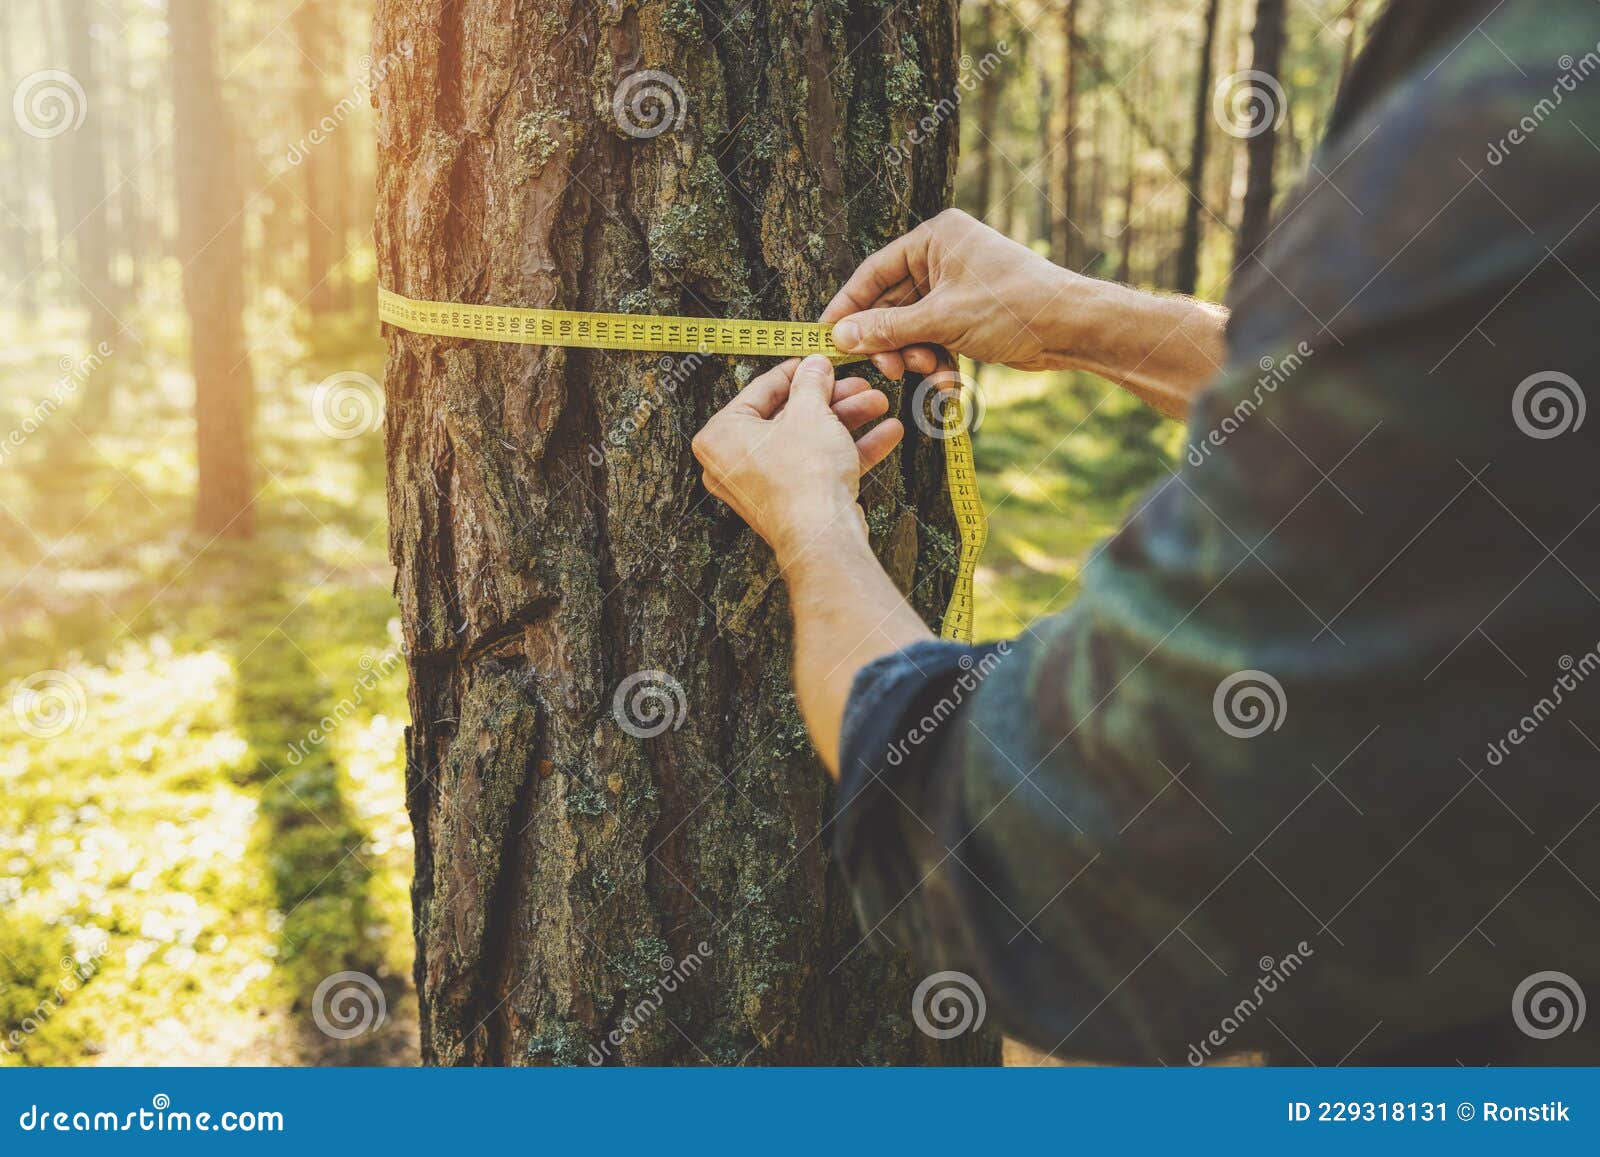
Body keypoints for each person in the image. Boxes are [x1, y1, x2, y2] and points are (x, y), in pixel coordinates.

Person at [692, 0, 1600, 1064]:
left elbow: (1053, 843)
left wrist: (812, 523)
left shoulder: (1520, 120)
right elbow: (1444, 425)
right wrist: (1082, 319)